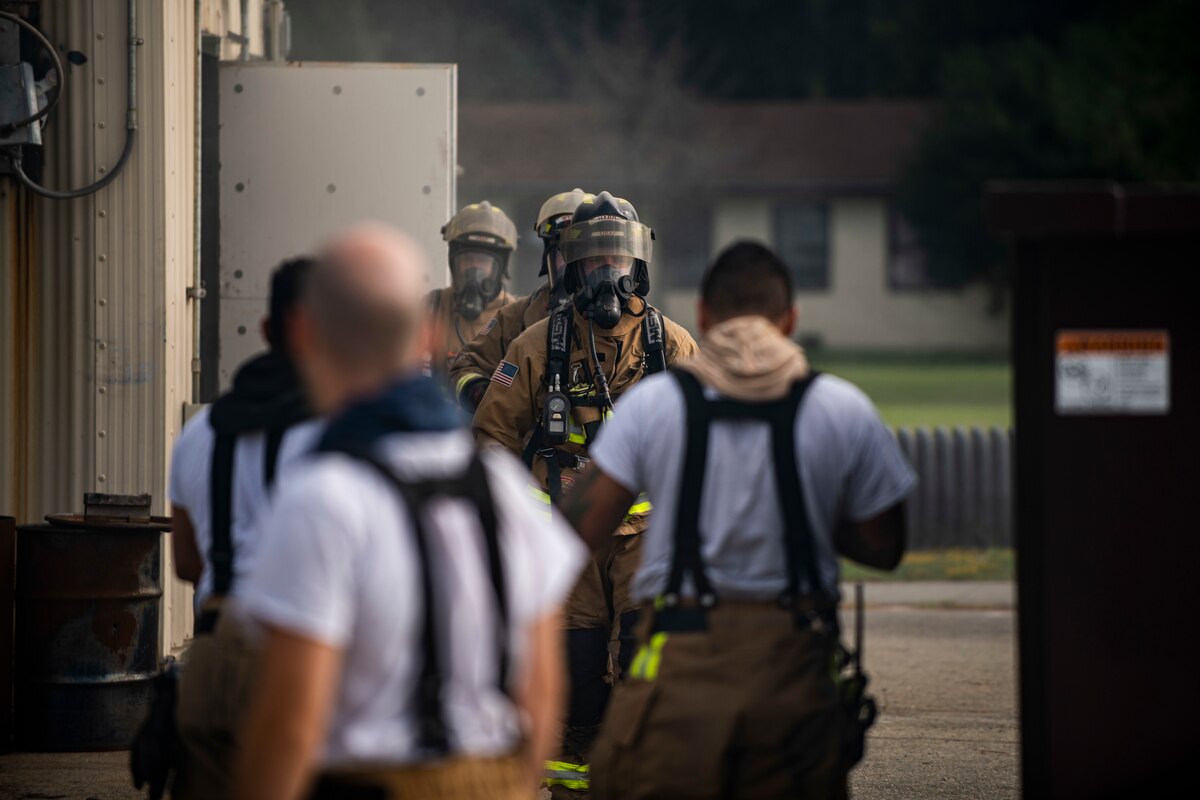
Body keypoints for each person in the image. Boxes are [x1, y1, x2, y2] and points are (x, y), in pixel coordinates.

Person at [231, 223, 586, 800]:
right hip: (491, 780)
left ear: (303, 334)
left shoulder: (321, 496)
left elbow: (291, 725)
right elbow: (543, 693)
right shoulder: (504, 491)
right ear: (426, 335)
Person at [559, 241, 918, 800]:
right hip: (794, 672)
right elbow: (885, 545)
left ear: (703, 315)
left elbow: (581, 529)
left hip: (679, 673)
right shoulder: (843, 408)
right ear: (791, 318)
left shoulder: (654, 405)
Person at [472, 192, 699, 796]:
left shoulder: (669, 345)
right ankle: (574, 774)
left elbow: (713, 438)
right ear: (572, 268)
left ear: (638, 266)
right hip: (563, 533)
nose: (607, 274)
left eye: (617, 261)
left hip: (645, 534)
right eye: (594, 262)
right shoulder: (536, 345)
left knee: (644, 649)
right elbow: (491, 434)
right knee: (574, 657)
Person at [168, 256, 324, 800]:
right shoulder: (343, 432)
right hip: (309, 658)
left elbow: (187, 565)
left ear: (265, 331)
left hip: (216, 658)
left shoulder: (198, 434)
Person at [449, 188, 592, 411]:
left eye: (584, 256)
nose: (573, 266)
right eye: (565, 253)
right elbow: (465, 367)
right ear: (548, 256)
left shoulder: (643, 325)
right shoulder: (513, 318)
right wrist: (485, 395)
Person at [428, 200, 519, 373]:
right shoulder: (432, 308)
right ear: (453, 263)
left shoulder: (517, 317)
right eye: (468, 259)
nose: (474, 269)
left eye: (484, 261)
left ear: (501, 267)